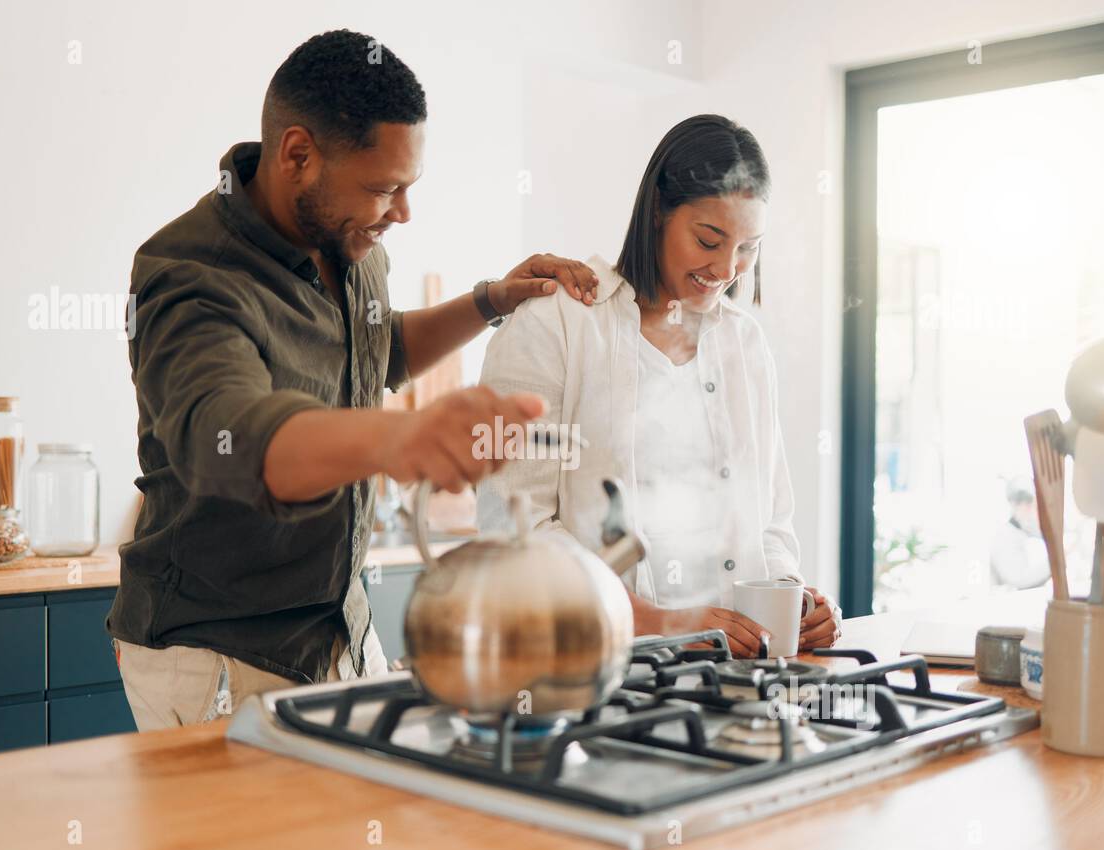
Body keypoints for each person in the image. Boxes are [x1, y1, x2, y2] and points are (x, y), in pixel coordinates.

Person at [107, 30, 599, 729]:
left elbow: (375, 350)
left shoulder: (349, 243)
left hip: (340, 632)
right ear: (298, 155)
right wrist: (401, 438)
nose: (403, 212)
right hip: (217, 653)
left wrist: (491, 299)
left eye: (408, 187)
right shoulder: (189, 275)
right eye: (384, 189)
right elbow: (228, 433)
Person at [477, 115, 840, 657]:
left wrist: (789, 595)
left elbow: (771, 522)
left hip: (733, 679)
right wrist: (648, 620)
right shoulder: (555, 325)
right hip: (590, 672)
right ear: (656, 212)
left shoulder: (745, 345)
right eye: (709, 239)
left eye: (749, 248)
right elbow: (510, 527)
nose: (727, 269)